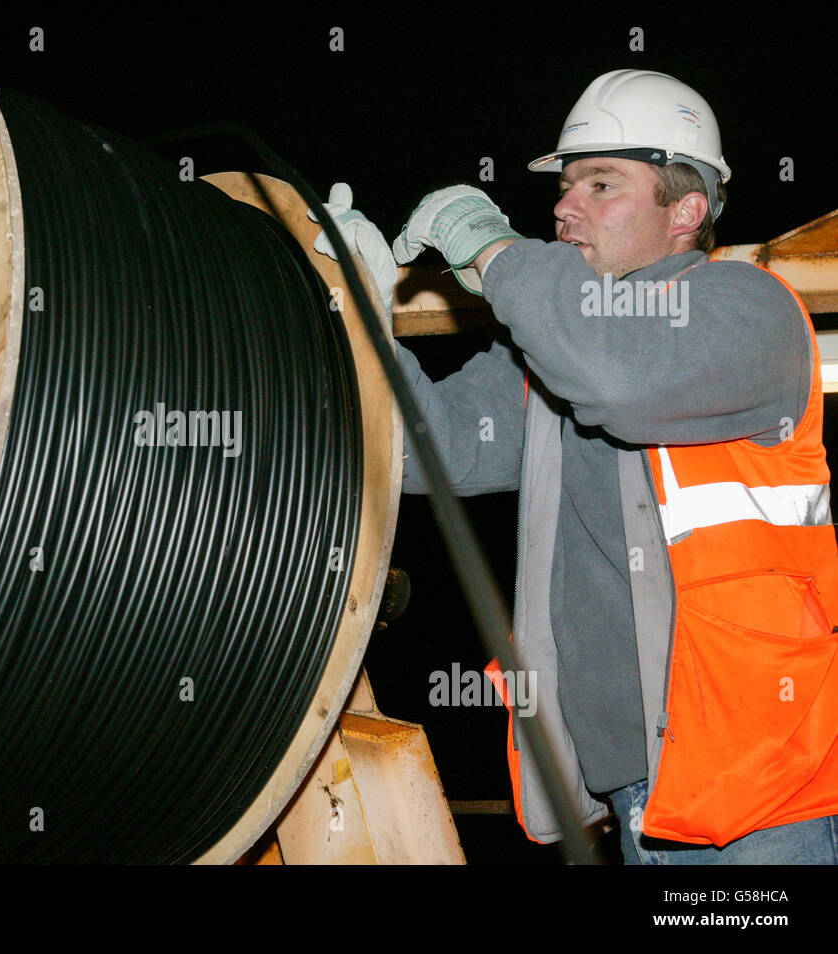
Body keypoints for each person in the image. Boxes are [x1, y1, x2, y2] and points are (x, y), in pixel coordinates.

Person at [316, 69, 838, 864]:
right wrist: (357, 319)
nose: (564, 207)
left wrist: (499, 251)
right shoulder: (556, 357)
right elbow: (433, 449)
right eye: (565, 186)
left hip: (757, 801)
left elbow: (618, 378)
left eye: (602, 184)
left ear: (686, 210)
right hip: (636, 792)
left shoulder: (748, 312)